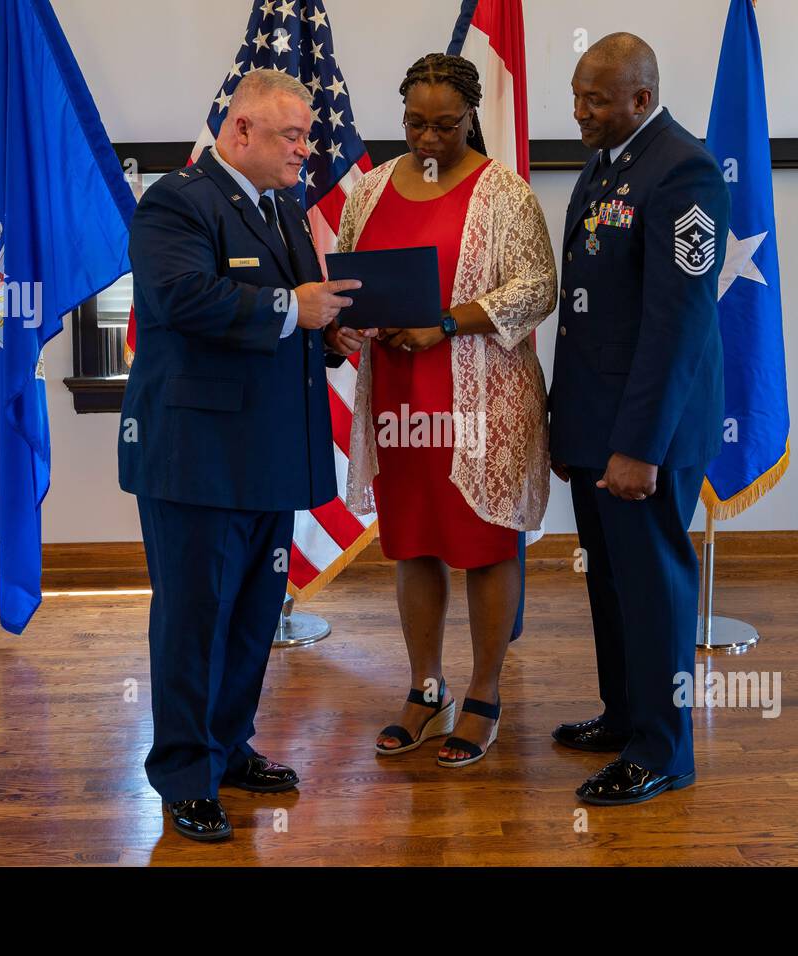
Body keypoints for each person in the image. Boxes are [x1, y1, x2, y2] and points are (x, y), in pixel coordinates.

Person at [118, 70, 367, 842]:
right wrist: (295, 306)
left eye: (307, 136)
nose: (305, 150)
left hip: (268, 454)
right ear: (241, 132)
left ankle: (228, 748)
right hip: (196, 459)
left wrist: (329, 333)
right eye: (292, 136)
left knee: (255, 615)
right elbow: (182, 300)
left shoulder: (283, 207)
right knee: (196, 619)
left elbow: (285, 325)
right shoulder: (176, 202)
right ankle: (184, 775)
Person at [336, 53, 556, 768]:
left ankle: (485, 694)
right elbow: (348, 277)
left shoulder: (505, 194)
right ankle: (427, 692)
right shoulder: (369, 190)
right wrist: (349, 323)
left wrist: (448, 323)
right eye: (415, 124)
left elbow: (538, 288)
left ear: (471, 118)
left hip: (483, 400)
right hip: (398, 395)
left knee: (484, 544)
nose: (428, 138)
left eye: (445, 124)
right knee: (415, 543)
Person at [548, 33, 731, 805]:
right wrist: (571, 427)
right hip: (599, 424)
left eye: (595, 100)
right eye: (576, 96)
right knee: (611, 578)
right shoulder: (608, 162)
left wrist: (638, 447)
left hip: (647, 433)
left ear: (641, 99)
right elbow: (589, 317)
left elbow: (675, 326)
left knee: (654, 587)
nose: (579, 112)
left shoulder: (683, 170)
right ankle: (625, 716)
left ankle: (663, 750)